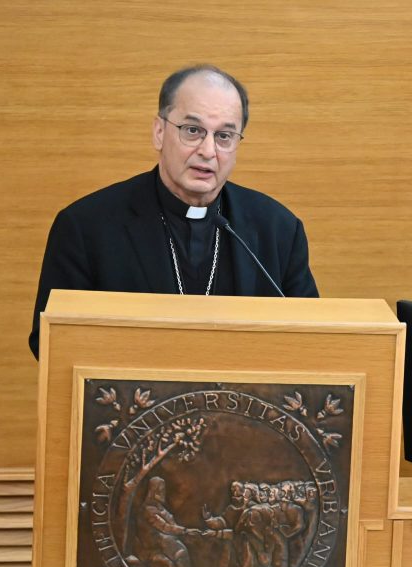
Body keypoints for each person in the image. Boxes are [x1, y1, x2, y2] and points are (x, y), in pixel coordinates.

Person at [29, 64, 318, 358]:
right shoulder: (86, 227)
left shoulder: (279, 230)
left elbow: (312, 340)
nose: (208, 150)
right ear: (159, 132)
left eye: (224, 136)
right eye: (192, 131)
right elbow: (52, 342)